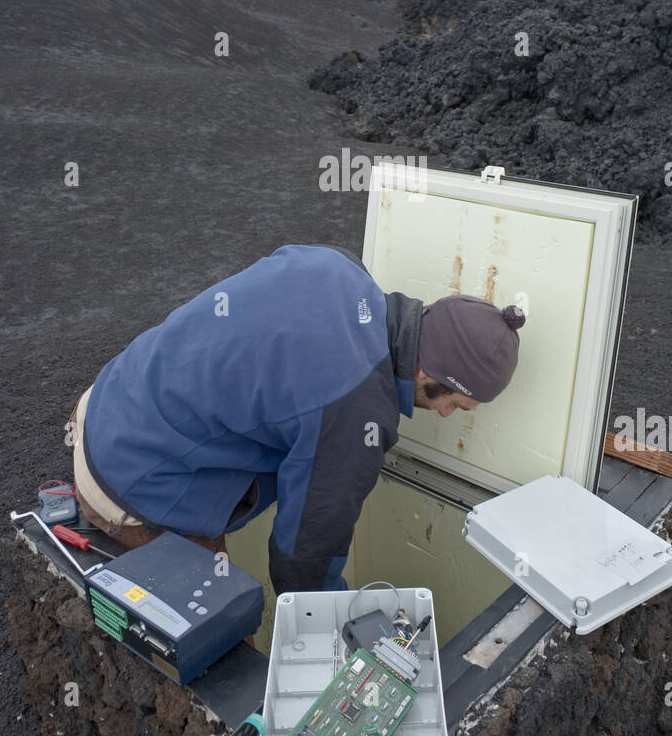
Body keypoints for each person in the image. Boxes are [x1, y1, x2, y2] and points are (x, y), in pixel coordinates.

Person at [69, 243, 524, 596]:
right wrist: (325, 627)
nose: (445, 414)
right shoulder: (359, 409)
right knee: (223, 638)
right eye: (454, 405)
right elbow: (305, 555)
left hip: (109, 400)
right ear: (431, 373)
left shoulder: (338, 266)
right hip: (129, 480)